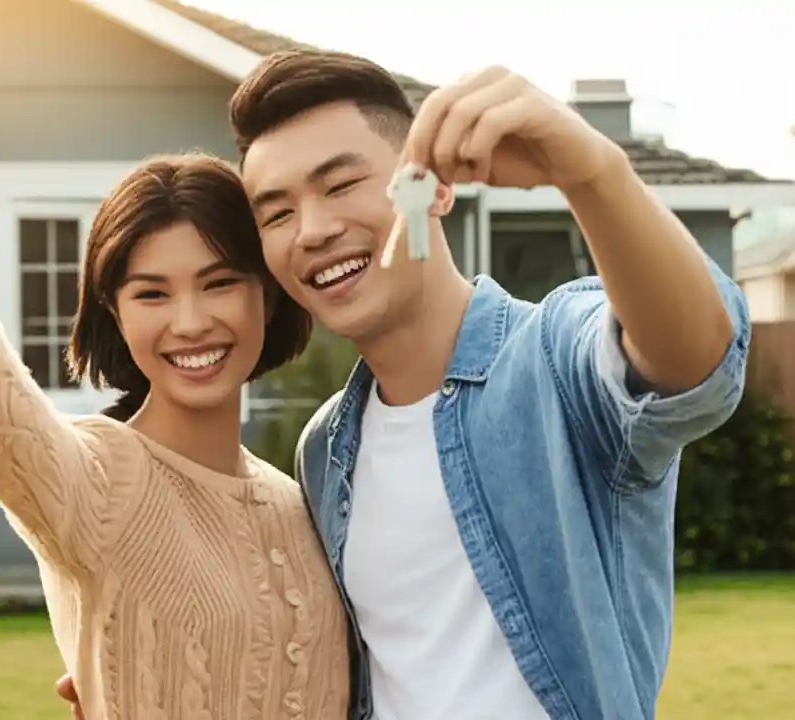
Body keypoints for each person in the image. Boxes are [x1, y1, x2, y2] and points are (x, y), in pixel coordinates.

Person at [60, 50, 750, 720]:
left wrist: (592, 173)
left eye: (340, 185)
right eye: (277, 213)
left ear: (435, 187)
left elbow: (694, 364)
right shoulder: (327, 451)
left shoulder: (552, 362)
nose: (316, 230)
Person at [0, 124, 352, 719]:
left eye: (219, 284)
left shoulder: (299, 503)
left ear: (265, 292)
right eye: (152, 295)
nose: (189, 323)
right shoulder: (99, 482)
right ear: (114, 312)